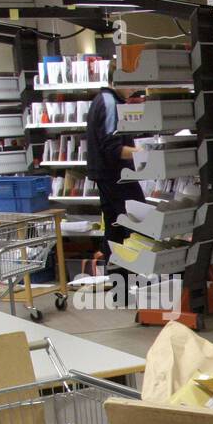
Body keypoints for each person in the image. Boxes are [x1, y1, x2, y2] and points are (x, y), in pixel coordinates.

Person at [85, 80, 143, 302]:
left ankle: (121, 290)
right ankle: (132, 284)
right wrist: (143, 153)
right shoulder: (109, 102)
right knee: (137, 226)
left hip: (107, 176)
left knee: (115, 230)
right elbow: (112, 148)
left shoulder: (105, 100)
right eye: (130, 83)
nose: (133, 88)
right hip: (116, 176)